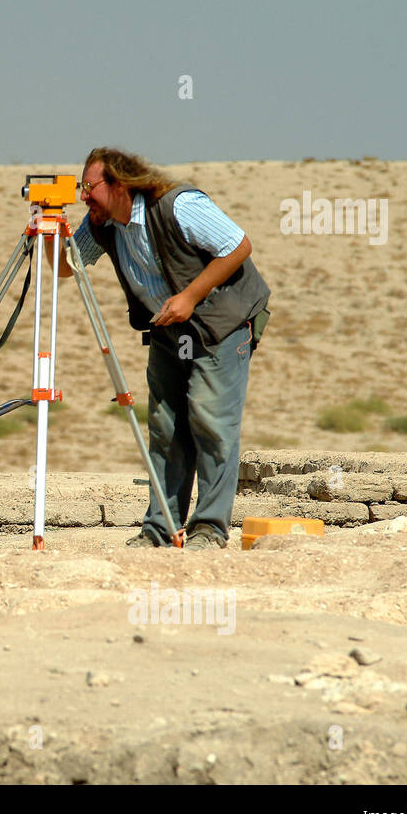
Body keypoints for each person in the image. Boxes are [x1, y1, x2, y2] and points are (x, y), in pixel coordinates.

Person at [59, 147, 270, 550]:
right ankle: (160, 529)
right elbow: (68, 266)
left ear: (119, 184)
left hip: (219, 326)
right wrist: (50, 234)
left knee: (211, 423)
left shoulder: (176, 205)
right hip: (168, 332)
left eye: (89, 187)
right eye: (80, 188)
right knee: (166, 427)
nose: (83, 197)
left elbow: (238, 245)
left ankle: (209, 528)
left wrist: (190, 296)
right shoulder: (102, 224)